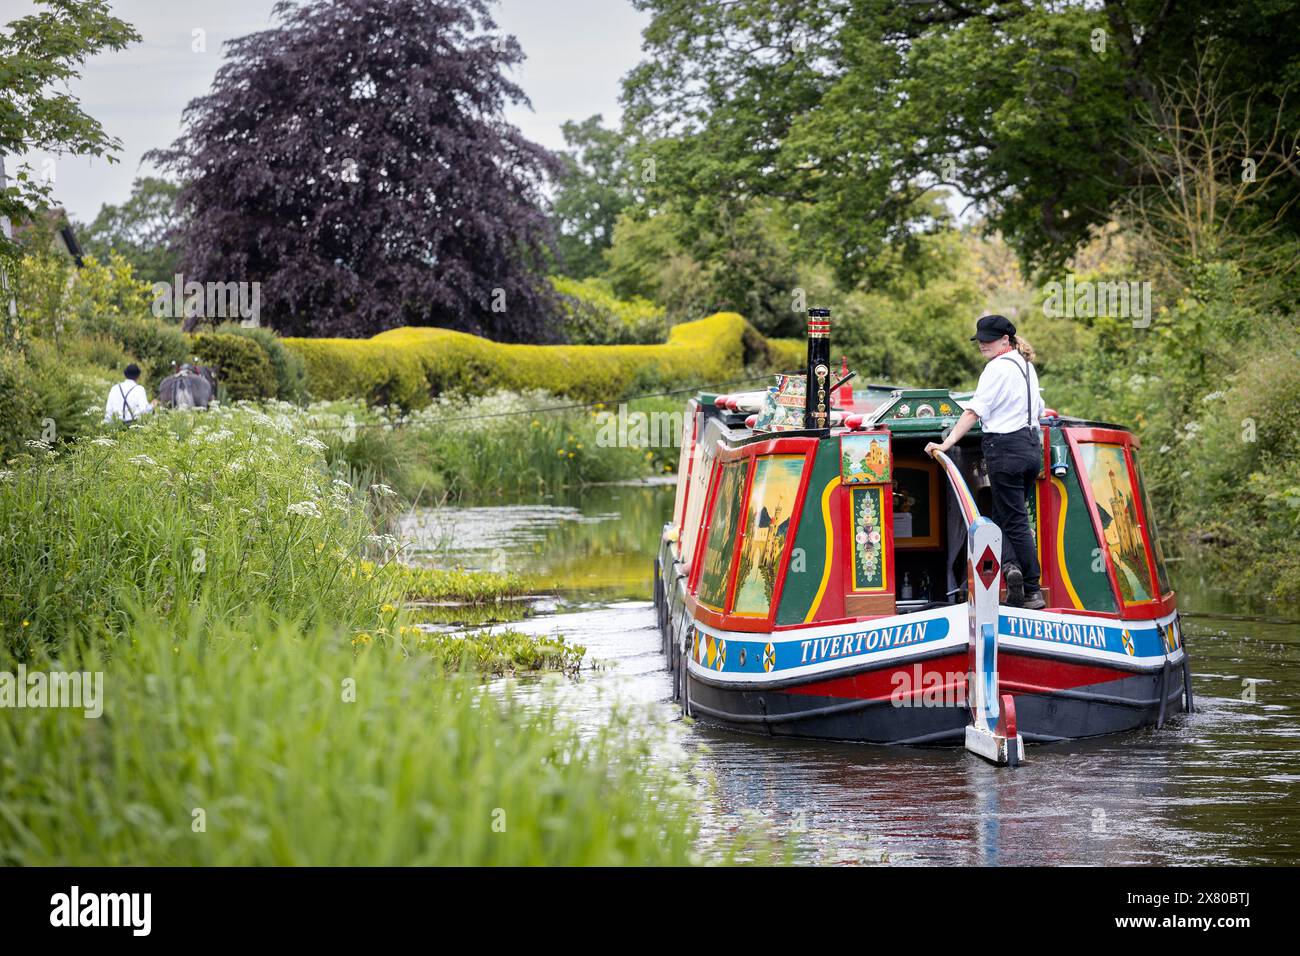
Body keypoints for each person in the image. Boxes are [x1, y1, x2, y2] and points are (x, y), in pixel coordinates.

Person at [925, 314, 1046, 610]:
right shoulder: (1027, 367)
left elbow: (973, 412)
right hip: (1031, 448)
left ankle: (1031, 589)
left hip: (1005, 448)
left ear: (1006, 340)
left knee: (1014, 521)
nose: (982, 344)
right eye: (980, 339)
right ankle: (1011, 569)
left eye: (988, 339)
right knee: (1006, 516)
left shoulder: (996, 369)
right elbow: (1039, 408)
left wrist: (947, 443)